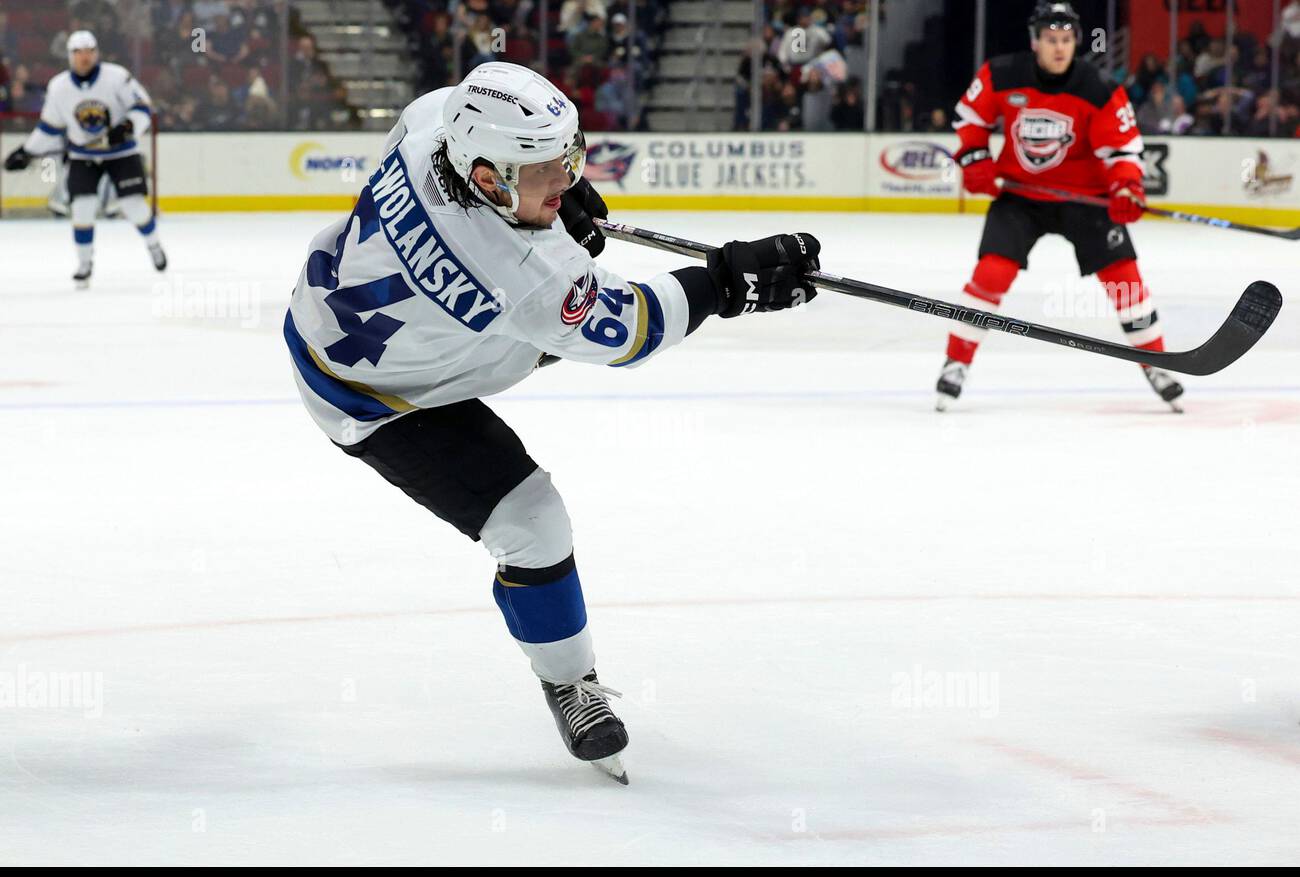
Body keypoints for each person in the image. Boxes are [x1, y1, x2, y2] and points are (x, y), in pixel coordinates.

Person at [282, 62, 821, 783]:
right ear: (486, 177)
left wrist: (544, 199)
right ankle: (569, 681)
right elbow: (631, 331)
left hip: (346, 315)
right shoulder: (521, 273)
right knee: (534, 525)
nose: (565, 182)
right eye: (545, 171)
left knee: (543, 318)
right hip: (376, 398)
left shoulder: (431, 123)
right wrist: (728, 283)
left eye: (569, 160)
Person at [940, 2, 1182, 411]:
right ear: (1036, 41)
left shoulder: (1098, 87)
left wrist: (1125, 186)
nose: (1059, 48)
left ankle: (1153, 360)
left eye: (1066, 40)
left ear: (1075, 42)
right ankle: (955, 362)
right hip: (1021, 196)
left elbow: (1123, 149)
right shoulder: (1001, 74)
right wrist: (975, 159)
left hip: (1084, 201)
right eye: (1051, 40)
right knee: (990, 275)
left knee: (1125, 279)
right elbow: (970, 121)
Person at [2, 30, 166, 287]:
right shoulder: (59, 87)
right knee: (82, 209)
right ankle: (84, 264)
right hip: (83, 155)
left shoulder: (117, 77)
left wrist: (127, 128)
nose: (84, 57)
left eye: (89, 51)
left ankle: (154, 245)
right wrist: (27, 151)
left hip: (122, 153)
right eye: (78, 52)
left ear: (96, 53)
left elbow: (143, 107)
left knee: (133, 206)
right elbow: (50, 127)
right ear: (70, 56)